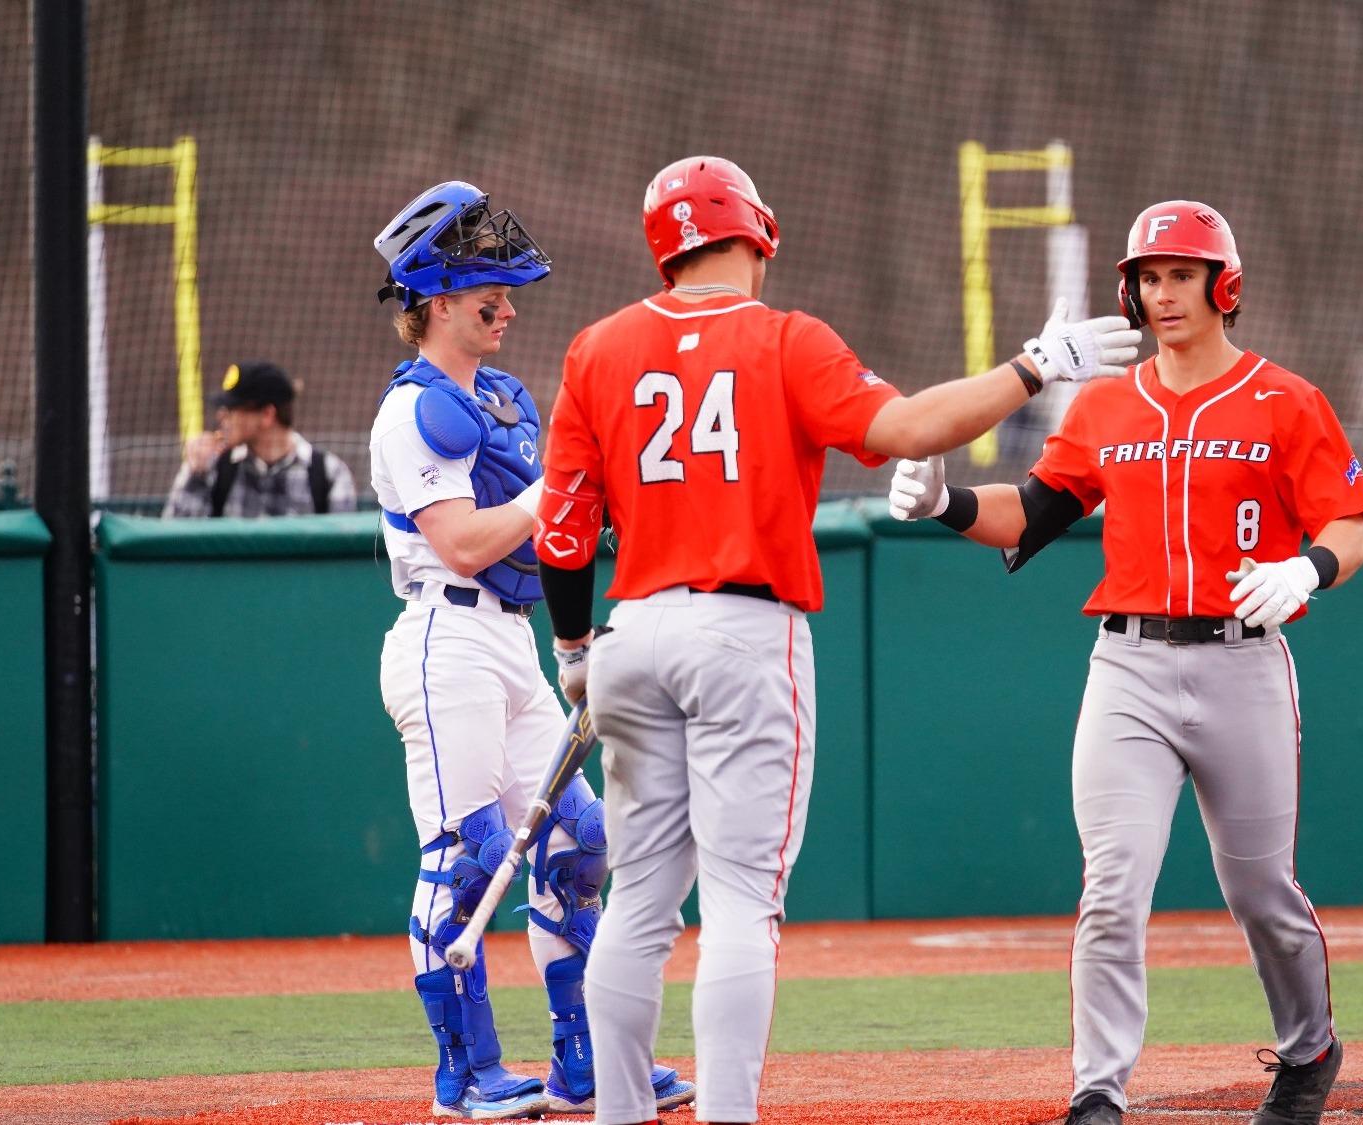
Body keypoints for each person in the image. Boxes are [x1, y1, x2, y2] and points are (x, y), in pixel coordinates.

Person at [532, 155, 1139, 1125]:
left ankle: (617, 1114)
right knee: (739, 904)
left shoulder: (594, 348)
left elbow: (561, 531)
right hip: (743, 631)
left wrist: (571, 654)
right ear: (750, 231)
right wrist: (1036, 365)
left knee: (638, 902)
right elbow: (905, 430)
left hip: (629, 634)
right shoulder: (784, 339)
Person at [890, 201, 1363, 1125]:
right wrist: (946, 501)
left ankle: (1310, 1047)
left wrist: (1306, 564)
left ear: (1222, 285)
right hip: (1129, 667)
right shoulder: (1110, 402)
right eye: (1149, 277)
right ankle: (1098, 1091)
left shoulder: (1287, 398)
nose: (1163, 294)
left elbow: (1348, 529)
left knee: (1262, 891)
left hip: (1244, 663)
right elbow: (1032, 512)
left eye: (1181, 275)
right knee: (1112, 884)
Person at [368, 181, 695, 1121]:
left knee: (576, 844)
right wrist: (558, 487)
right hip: (446, 634)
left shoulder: (503, 396)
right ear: (434, 304)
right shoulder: (411, 412)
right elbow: (466, 542)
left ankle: (580, 1061)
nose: (507, 309)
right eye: (486, 298)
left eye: (506, 295)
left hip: (512, 639)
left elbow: (551, 519)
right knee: (465, 857)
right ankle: (464, 1074)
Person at [162, 360, 358, 517]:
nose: (221, 417)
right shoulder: (211, 467)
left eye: (232, 409)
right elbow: (175, 544)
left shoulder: (328, 474)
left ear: (267, 415)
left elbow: (342, 554)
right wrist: (195, 475)